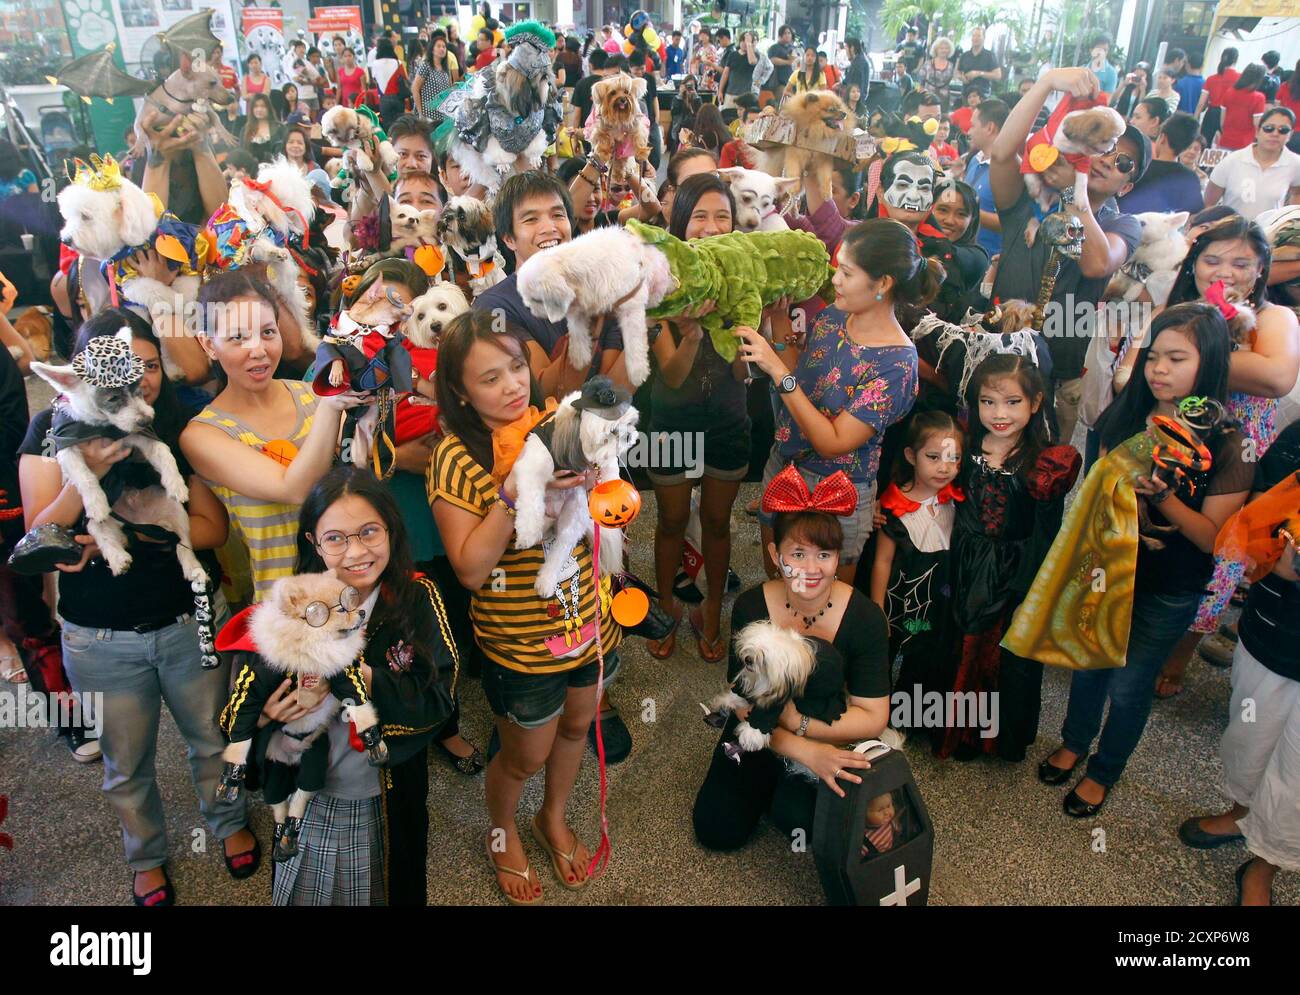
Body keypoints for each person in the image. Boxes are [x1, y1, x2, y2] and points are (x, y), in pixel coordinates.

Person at [18, 309, 257, 906]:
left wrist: (147, 531)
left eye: (149, 365)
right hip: (100, 636)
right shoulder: (53, 427)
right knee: (126, 761)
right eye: (126, 367)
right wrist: (88, 476)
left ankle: (227, 823)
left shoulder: (176, 425)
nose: (139, 379)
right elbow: (39, 541)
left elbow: (208, 526)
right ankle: (145, 855)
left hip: (187, 617)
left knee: (211, 736)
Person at [429, 311, 622, 905]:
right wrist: (515, 492)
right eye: (490, 379)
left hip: (589, 620)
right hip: (520, 641)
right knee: (523, 754)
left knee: (575, 728)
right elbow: (469, 569)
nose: (513, 386)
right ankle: (502, 827)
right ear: (461, 391)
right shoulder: (457, 459)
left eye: (516, 368)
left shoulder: (558, 422)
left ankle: (553, 816)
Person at [1040, 304, 1250, 815]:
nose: (1158, 368)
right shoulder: (1131, 412)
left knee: (1131, 685)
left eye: (1176, 358)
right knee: (1089, 666)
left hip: (1169, 585)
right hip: (1108, 568)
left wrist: (1160, 496)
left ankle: (1104, 771)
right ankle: (1074, 741)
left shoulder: (1228, 440)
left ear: (1212, 362)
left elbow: (1211, 539)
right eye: (1153, 355)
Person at [258, 464, 459, 905]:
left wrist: (368, 680)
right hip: (308, 790)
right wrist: (265, 715)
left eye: (369, 532)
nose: (355, 552)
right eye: (336, 538)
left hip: (383, 789)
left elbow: (439, 699)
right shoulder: (290, 602)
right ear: (313, 541)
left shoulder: (418, 598)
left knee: (388, 883)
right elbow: (245, 705)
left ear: (392, 530)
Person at [692, 476, 891, 852]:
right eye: (797, 554)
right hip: (760, 725)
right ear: (774, 553)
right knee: (716, 830)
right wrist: (802, 750)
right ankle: (770, 785)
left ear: (839, 557)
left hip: (834, 729)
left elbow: (873, 715)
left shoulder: (864, 618)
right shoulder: (751, 607)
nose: (810, 569)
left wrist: (804, 729)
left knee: (801, 821)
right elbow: (744, 700)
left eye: (824, 555)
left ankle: (781, 793)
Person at [741, 219, 926, 582]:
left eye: (846, 271)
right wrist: (779, 321)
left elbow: (832, 442)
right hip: (783, 465)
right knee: (778, 582)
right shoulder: (833, 317)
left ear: (883, 283)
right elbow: (803, 383)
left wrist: (775, 369)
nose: (835, 279)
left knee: (827, 604)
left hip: (836, 489)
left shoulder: (897, 364)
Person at [988, 66, 1145, 447]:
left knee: (1044, 485)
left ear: (1128, 184)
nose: (1108, 158)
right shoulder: (1030, 199)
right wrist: (1046, 83)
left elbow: (1096, 263)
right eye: (1105, 147)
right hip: (996, 357)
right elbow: (1001, 152)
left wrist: (1074, 188)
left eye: (1123, 161)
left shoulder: (1125, 225)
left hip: (1060, 375)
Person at [180, 269, 358, 603]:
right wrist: (333, 409)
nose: (258, 350)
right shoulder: (204, 434)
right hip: (288, 613)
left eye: (267, 332)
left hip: (359, 590)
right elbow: (293, 488)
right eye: (237, 338)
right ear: (208, 344)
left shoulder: (313, 396)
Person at [1178, 420, 1300, 905]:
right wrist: (1276, 555)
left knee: (1297, 771)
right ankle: (1239, 812)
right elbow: (1255, 518)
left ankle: (1266, 863)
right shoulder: (1296, 440)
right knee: (1250, 733)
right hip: (1273, 633)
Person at [938, 354, 1081, 762]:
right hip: (962, 561)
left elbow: (1046, 531)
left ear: (1036, 403)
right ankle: (956, 731)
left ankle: (991, 737)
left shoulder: (1046, 462)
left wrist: (1028, 588)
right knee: (958, 645)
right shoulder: (962, 446)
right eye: (988, 402)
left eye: (1012, 402)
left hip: (1013, 571)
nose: (999, 414)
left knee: (1000, 655)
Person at [645, 173, 752, 663]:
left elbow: (743, 370)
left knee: (716, 520)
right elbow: (668, 377)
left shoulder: (744, 276)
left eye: (722, 216)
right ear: (681, 223)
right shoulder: (658, 279)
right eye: (700, 217)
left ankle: (712, 614)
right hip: (670, 423)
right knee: (669, 519)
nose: (711, 227)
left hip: (727, 420)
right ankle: (664, 608)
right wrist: (690, 333)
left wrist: (755, 324)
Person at [474, 171, 628, 398]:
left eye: (558, 215)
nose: (549, 227)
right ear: (508, 238)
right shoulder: (493, 307)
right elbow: (543, 394)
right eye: (531, 219)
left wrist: (650, 322)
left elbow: (612, 393)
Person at [869, 410, 964, 718]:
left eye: (953, 458)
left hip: (942, 600)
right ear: (911, 455)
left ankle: (915, 713)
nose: (944, 468)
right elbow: (882, 561)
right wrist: (876, 607)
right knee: (891, 652)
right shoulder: (894, 505)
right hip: (902, 604)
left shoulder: (957, 499)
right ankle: (877, 709)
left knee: (928, 657)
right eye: (933, 457)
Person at [1205, 108, 1300, 222]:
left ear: (1290, 135)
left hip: (1267, 236)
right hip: (1231, 234)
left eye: (1283, 130)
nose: (1275, 134)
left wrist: (1290, 220)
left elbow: (1297, 193)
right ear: (1257, 131)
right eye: (1268, 128)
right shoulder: (1232, 161)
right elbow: (1209, 204)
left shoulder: (1295, 164)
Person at [1117, 111, 1205, 216]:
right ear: (1186, 145)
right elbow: (1195, 213)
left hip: (1128, 225)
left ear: (1162, 138)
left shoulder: (1140, 166)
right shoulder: (1189, 177)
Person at [963, 98, 1008, 257]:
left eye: (973, 125)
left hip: (991, 260)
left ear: (989, 128)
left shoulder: (1007, 170)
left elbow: (1010, 223)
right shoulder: (975, 160)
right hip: (967, 253)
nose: (969, 132)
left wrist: (964, 210)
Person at [1217, 64, 1267, 152]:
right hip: (1245, 144)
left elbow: (1222, 122)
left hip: (1226, 140)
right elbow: (1257, 124)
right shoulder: (1259, 97)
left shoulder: (1229, 92)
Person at [1197, 48, 1240, 148]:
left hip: (1211, 113)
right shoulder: (1240, 79)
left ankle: (1201, 163)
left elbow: (1201, 103)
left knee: (1204, 143)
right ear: (1236, 60)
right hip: (1229, 114)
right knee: (1225, 145)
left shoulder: (1211, 79)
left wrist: (1196, 119)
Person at [371, 38, 409, 129]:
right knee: (400, 125)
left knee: (387, 126)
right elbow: (405, 78)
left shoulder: (375, 64)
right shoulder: (397, 62)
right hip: (398, 98)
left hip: (384, 99)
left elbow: (374, 80)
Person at [718, 29, 759, 111]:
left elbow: (752, 61)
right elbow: (725, 74)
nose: (744, 43)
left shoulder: (755, 55)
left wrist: (749, 44)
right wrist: (720, 91)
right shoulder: (732, 54)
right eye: (743, 40)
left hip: (745, 95)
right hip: (730, 93)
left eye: (747, 41)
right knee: (728, 116)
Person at [957, 26, 1001, 98]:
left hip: (983, 95)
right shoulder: (965, 55)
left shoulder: (989, 55)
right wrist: (962, 78)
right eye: (974, 35)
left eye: (978, 36)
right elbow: (958, 72)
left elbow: (998, 75)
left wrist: (979, 73)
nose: (975, 38)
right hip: (966, 94)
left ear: (984, 38)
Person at [241, 93, 285, 165]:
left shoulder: (280, 128)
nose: (259, 109)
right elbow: (242, 153)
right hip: (251, 171)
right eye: (256, 106)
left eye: (263, 106)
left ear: (269, 108)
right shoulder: (245, 129)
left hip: (275, 169)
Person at [917, 38, 956, 111]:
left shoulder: (951, 66)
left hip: (944, 100)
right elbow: (921, 82)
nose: (944, 50)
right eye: (941, 48)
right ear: (936, 49)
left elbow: (953, 82)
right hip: (927, 98)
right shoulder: (927, 64)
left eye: (946, 48)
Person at [767, 24, 796, 96]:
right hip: (779, 82)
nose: (787, 35)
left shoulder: (792, 48)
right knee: (782, 103)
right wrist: (788, 62)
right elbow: (772, 60)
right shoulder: (774, 47)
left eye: (789, 33)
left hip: (792, 82)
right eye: (785, 33)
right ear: (780, 35)